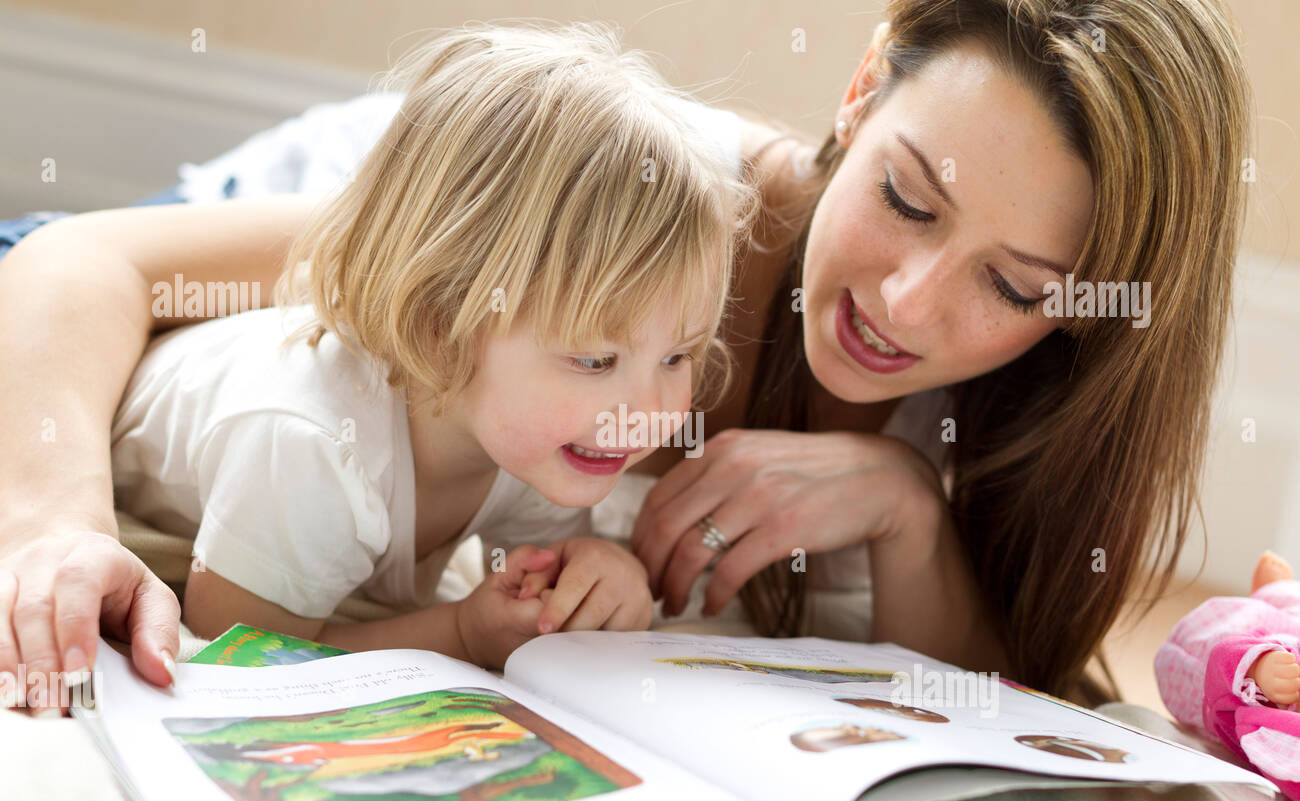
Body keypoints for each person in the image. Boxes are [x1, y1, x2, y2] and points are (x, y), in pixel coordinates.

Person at [0, 0, 1252, 710]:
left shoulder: (1009, 397)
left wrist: (906, 512)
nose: (909, 303)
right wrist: (53, 520)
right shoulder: (617, 198)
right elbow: (87, 264)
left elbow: (995, 689)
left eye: (1011, 283)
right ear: (862, 89)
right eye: (908, 201)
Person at [0, 21, 758, 713]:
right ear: (439, 325)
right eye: (596, 359)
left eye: (678, 355)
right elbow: (239, 660)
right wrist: (459, 632)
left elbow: (518, 579)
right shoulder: (308, 442)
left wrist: (590, 580)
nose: (645, 409)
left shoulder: (544, 436)